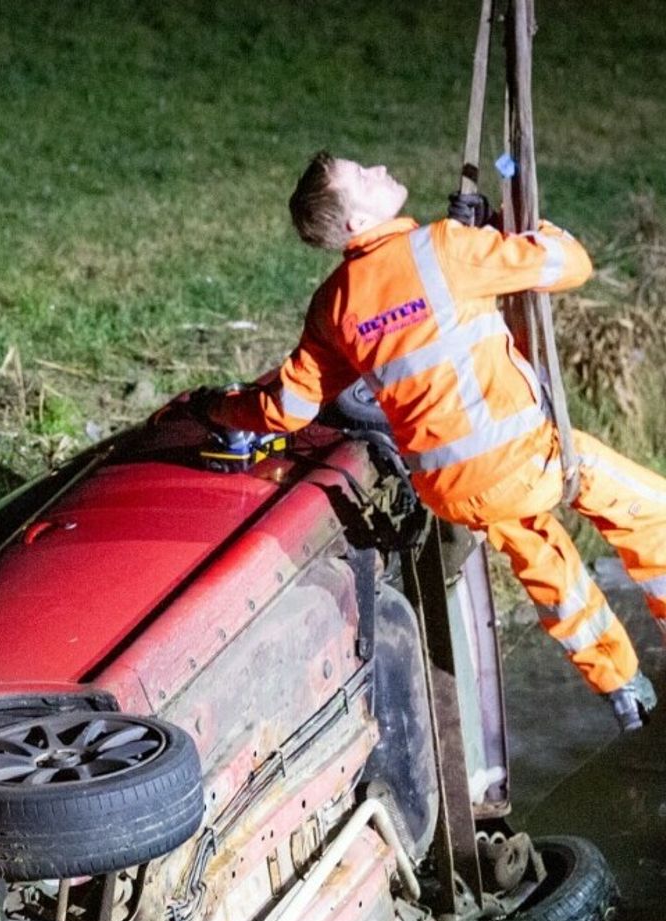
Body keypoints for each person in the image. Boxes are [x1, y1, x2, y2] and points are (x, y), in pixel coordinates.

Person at [194, 153, 665, 731]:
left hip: (453, 490)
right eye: (362, 176)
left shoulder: (334, 303)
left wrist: (218, 408)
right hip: (525, 461)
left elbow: (288, 409)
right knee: (654, 517)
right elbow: (571, 264)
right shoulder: (443, 248)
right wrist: (511, 230)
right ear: (355, 222)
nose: (378, 167)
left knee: (545, 562)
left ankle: (622, 688)